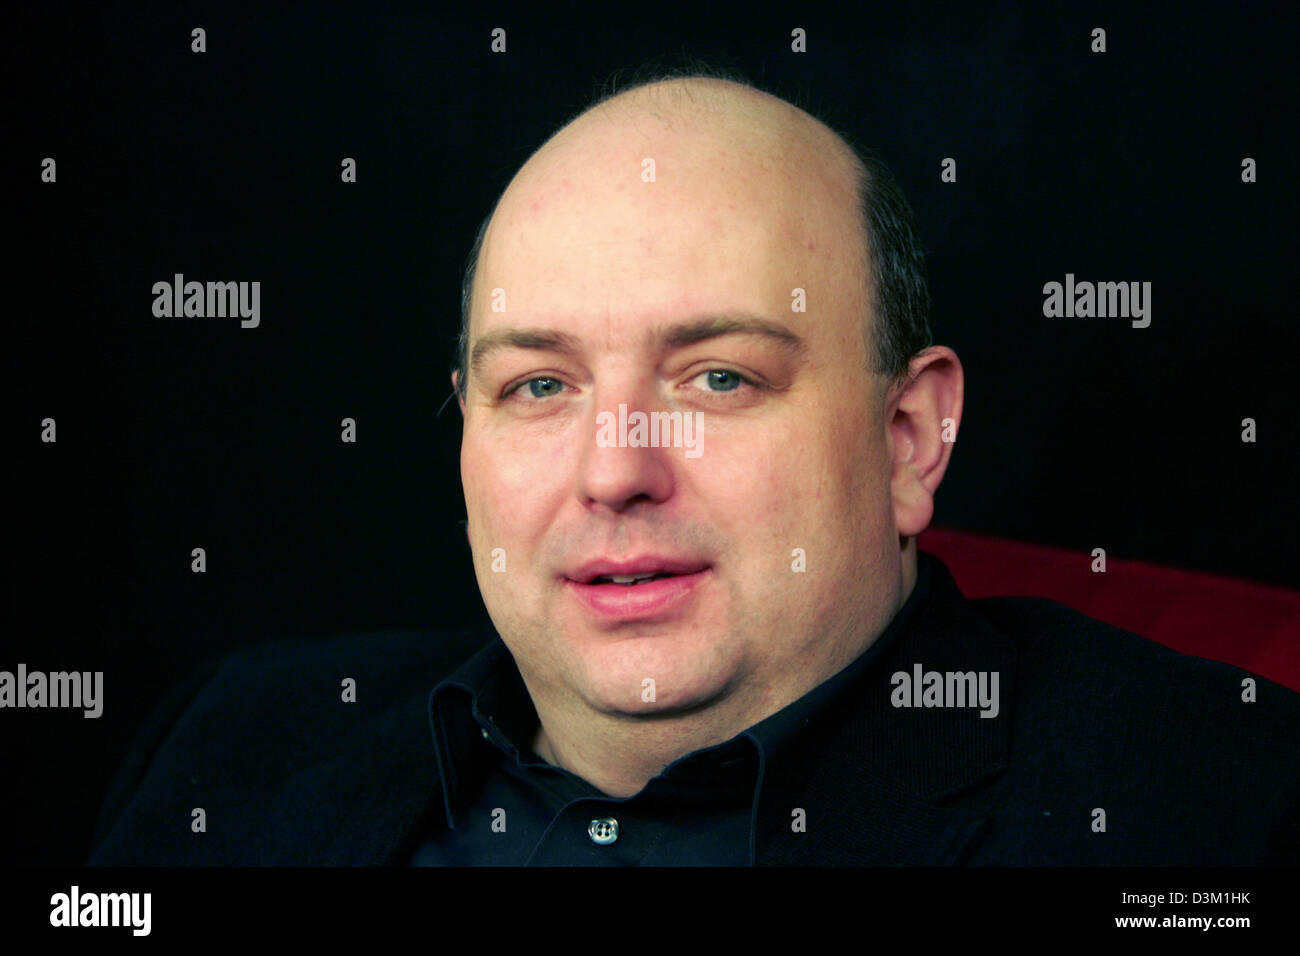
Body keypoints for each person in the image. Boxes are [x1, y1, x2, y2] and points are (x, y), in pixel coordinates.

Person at [89, 72, 1300, 866]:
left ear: (909, 438)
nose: (614, 471)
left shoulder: (1216, 818)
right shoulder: (235, 739)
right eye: (539, 386)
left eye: (717, 378)